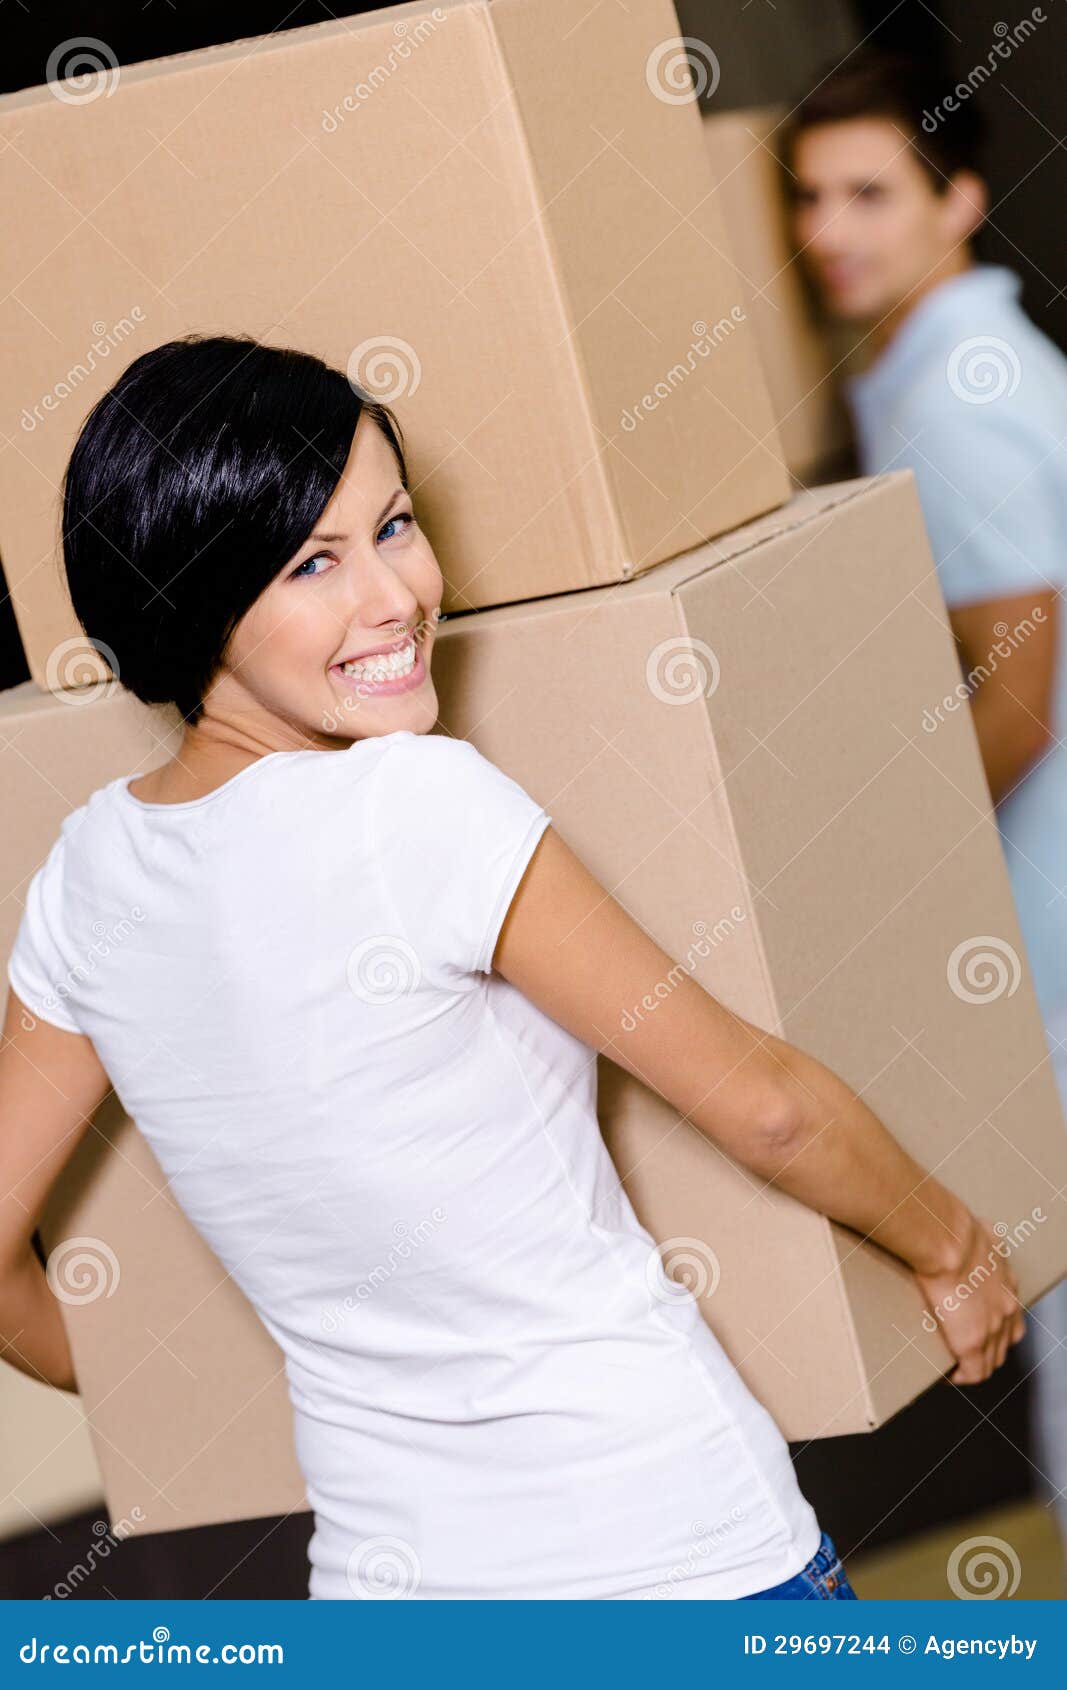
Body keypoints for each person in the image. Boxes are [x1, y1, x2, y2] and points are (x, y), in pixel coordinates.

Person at [0, 335, 1021, 1601]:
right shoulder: (412, 804)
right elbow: (760, 1107)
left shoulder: (86, 877)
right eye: (315, 562)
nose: (395, 595)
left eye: (396, 525)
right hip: (667, 1561)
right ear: (192, 601)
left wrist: (171, 1404)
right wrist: (949, 1247)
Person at [787, 47, 1067, 1563]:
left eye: (869, 192)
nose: (827, 229)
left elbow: (1018, 683)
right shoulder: (967, 363)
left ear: (959, 198)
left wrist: (874, 881)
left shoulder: (953, 393)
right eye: (807, 197)